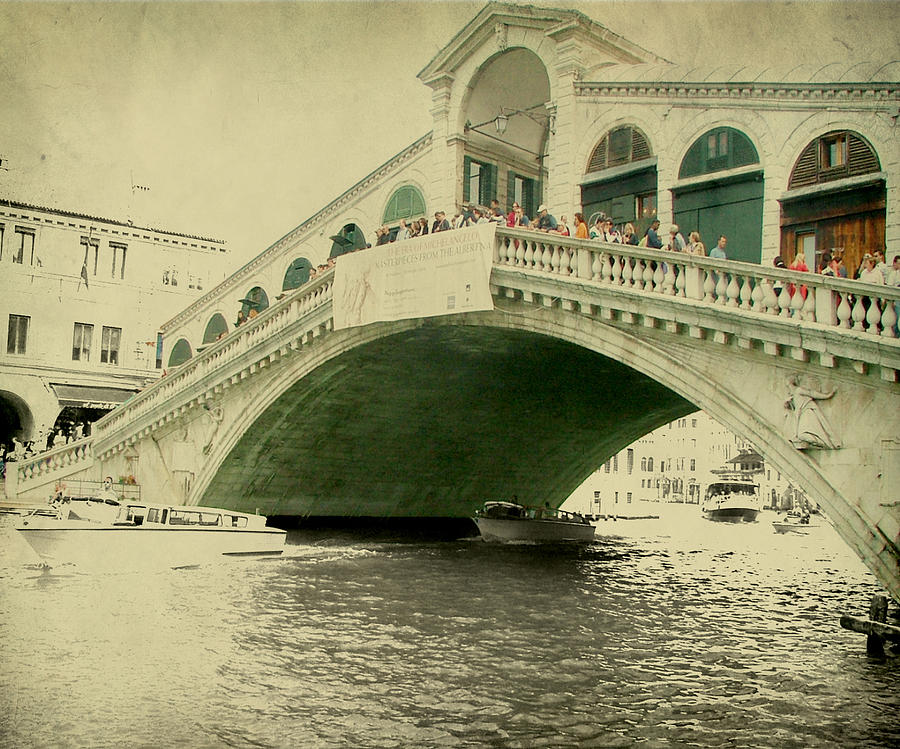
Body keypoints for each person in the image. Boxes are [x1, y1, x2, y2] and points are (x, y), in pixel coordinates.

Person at [784, 375, 841, 450]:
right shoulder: (792, 394)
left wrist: (828, 395)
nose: (788, 387)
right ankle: (816, 442)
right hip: (800, 415)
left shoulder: (799, 390)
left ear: (790, 383)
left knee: (803, 435)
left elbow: (812, 393)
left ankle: (820, 442)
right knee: (801, 436)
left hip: (807, 414)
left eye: (788, 384)